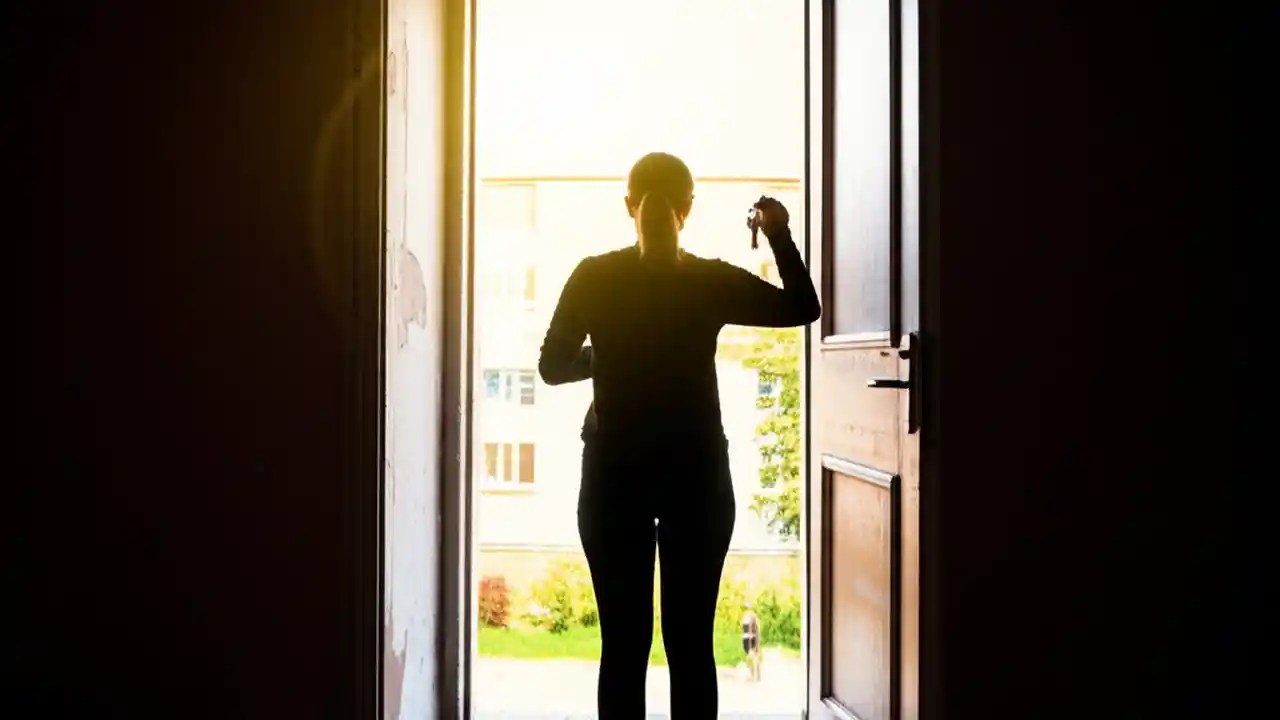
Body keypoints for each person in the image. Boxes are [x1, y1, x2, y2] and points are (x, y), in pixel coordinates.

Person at [538, 152, 820, 719]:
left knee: (623, 647)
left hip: (614, 481)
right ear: (687, 210)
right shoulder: (709, 280)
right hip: (698, 480)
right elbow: (802, 307)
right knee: (690, 647)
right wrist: (778, 233)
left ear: (629, 207)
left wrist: (610, 356)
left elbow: (552, 366)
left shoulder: (595, 275)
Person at [742, 601, 762, 682]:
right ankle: (754, 675)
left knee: (752, 656)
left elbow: (749, 627)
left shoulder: (748, 616)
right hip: (751, 637)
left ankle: (755, 675)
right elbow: (757, 628)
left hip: (749, 637)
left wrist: (751, 636)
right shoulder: (753, 615)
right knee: (752, 656)